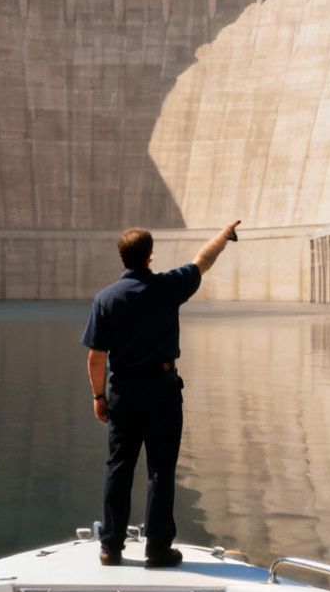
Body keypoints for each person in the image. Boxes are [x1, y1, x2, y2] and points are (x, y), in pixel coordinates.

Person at [80, 221, 240, 567]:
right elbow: (203, 260)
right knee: (161, 469)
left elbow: (96, 357)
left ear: (122, 257)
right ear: (150, 255)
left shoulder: (106, 298)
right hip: (162, 390)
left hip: (123, 391)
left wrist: (98, 397)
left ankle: (111, 547)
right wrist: (224, 236)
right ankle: (157, 549)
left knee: (118, 468)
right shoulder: (168, 287)